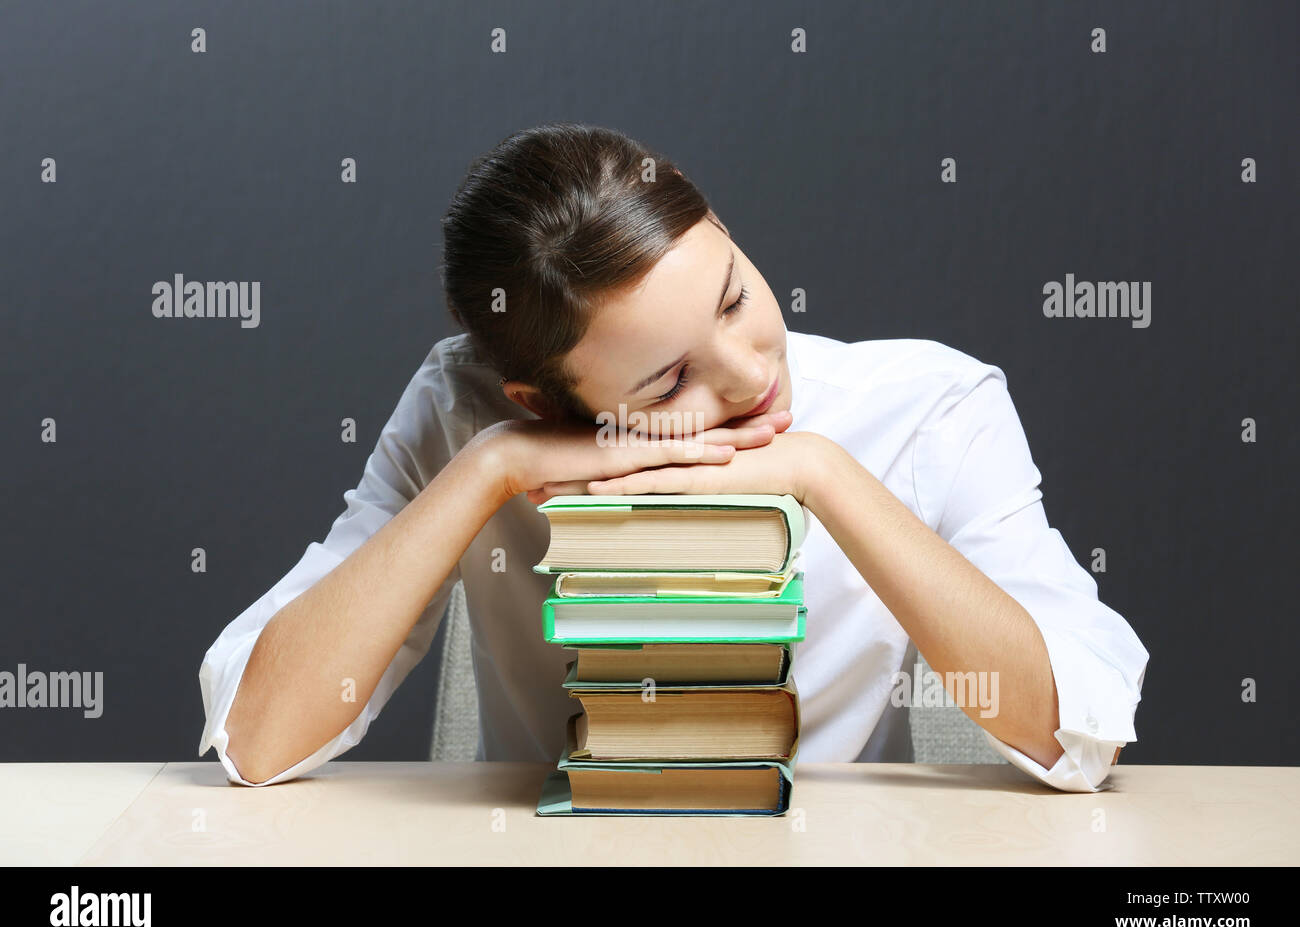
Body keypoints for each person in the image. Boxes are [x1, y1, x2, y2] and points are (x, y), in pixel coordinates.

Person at [198, 123, 1148, 793]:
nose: (751, 375)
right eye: (666, 382)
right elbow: (256, 735)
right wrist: (490, 468)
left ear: (722, 229)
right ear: (541, 401)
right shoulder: (467, 410)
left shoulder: (931, 407)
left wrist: (823, 473)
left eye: (734, 299)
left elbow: (1083, 735)